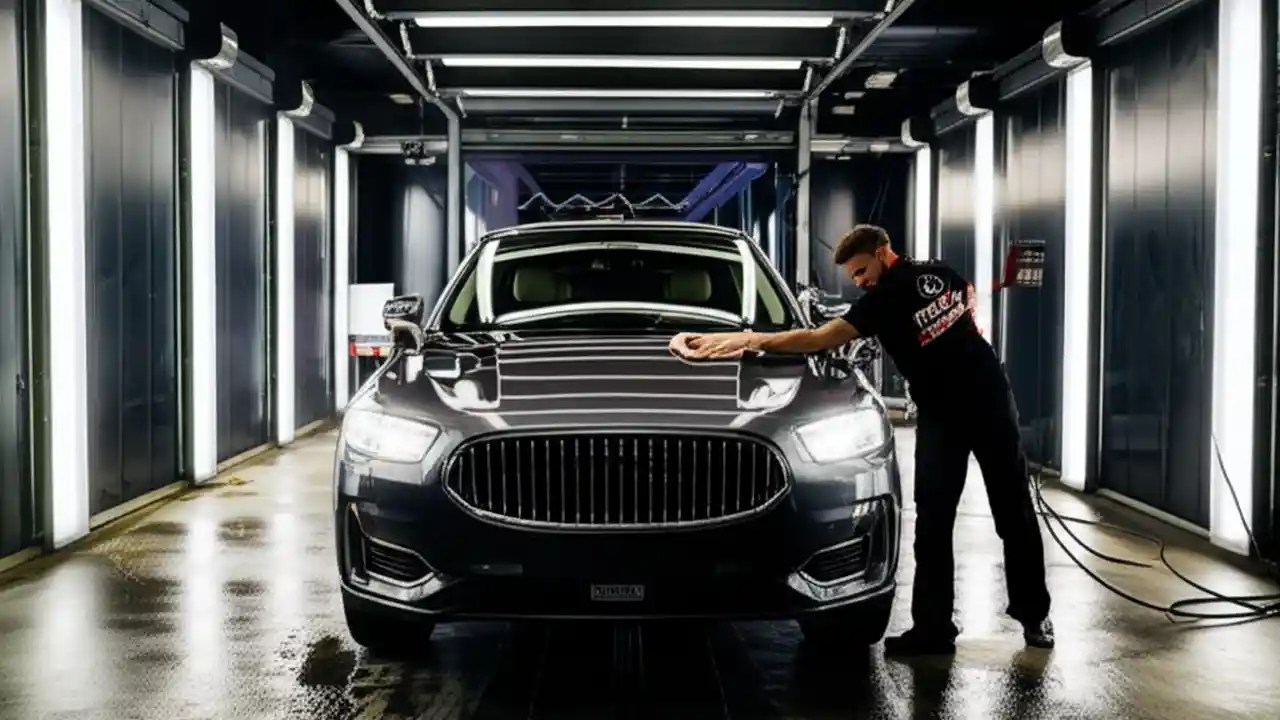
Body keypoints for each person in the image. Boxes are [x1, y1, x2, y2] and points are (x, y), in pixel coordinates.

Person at [669, 224, 1054, 656]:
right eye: (854, 276)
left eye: (861, 270)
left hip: (978, 405)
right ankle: (1000, 622)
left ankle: (963, 625)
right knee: (957, 517)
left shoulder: (885, 299)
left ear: (883, 251)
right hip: (963, 404)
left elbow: (818, 340)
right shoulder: (941, 272)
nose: (859, 281)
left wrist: (750, 340)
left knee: (986, 513)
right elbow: (967, 297)